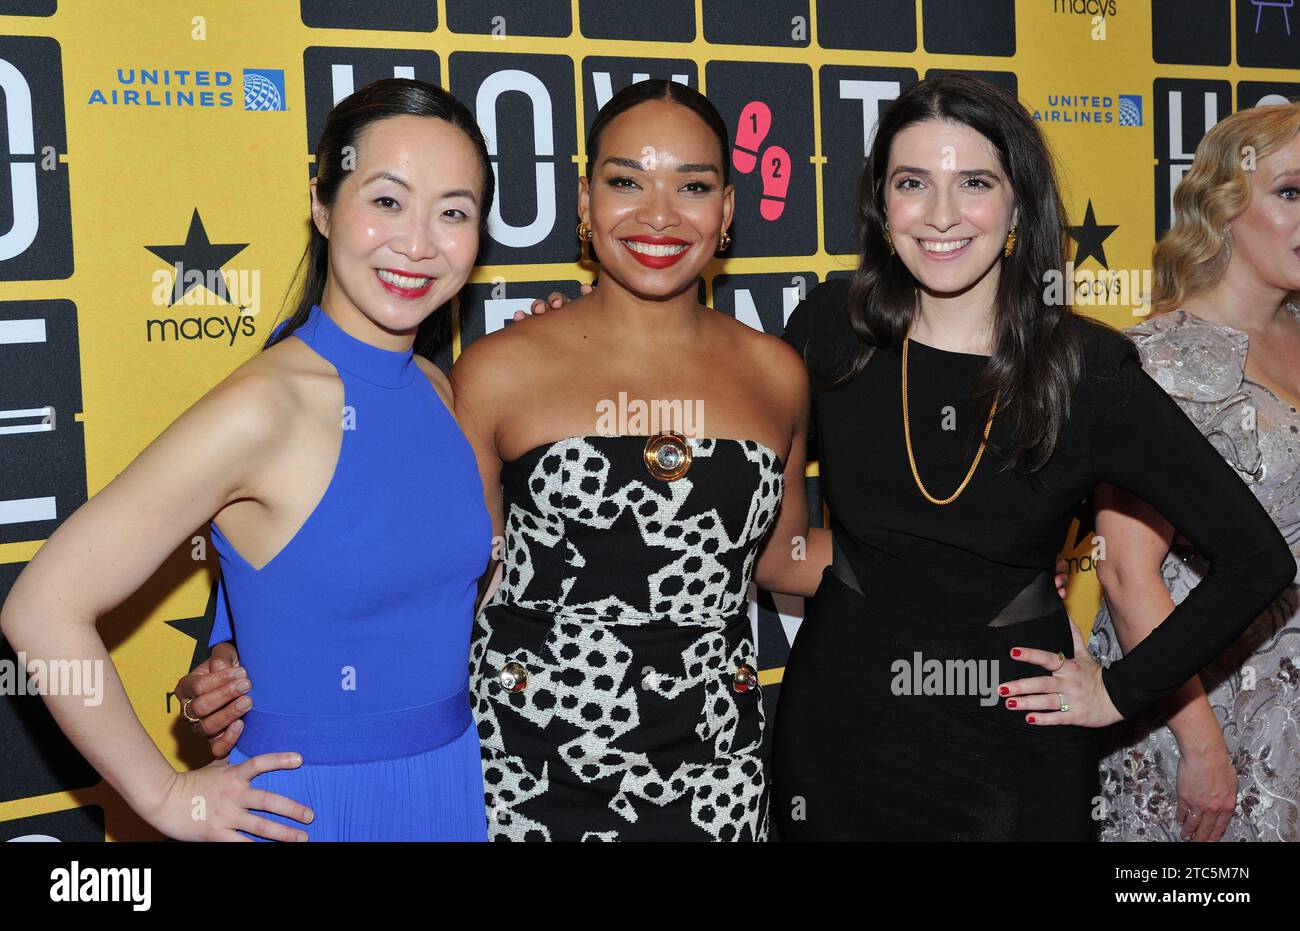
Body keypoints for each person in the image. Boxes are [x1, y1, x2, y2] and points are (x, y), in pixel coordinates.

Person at [769, 74, 1296, 841]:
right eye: (913, 183)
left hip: (1013, 754)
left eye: (974, 183)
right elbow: (725, 461)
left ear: (1017, 205)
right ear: (882, 206)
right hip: (842, 734)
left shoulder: (1086, 369)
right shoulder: (829, 330)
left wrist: (1118, 691)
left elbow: (1257, 558)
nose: (942, 214)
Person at [1, 78, 496, 841]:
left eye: (454, 212)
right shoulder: (263, 406)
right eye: (388, 200)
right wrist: (165, 796)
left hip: (450, 785)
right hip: (308, 811)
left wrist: (229, 648)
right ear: (324, 205)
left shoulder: (434, 386)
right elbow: (40, 608)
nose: (420, 242)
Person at [450, 78, 819, 841]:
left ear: (727, 210)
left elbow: (784, 559)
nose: (659, 215)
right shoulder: (496, 369)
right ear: (584, 203)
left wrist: (982, 553)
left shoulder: (776, 372)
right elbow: (453, 583)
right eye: (627, 182)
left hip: (715, 766)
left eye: (693, 185)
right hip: (527, 766)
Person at [1087, 101, 1300, 842]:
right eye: (1291, 192)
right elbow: (1124, 573)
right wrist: (1201, 746)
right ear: (1223, 205)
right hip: (1210, 720)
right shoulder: (1155, 361)